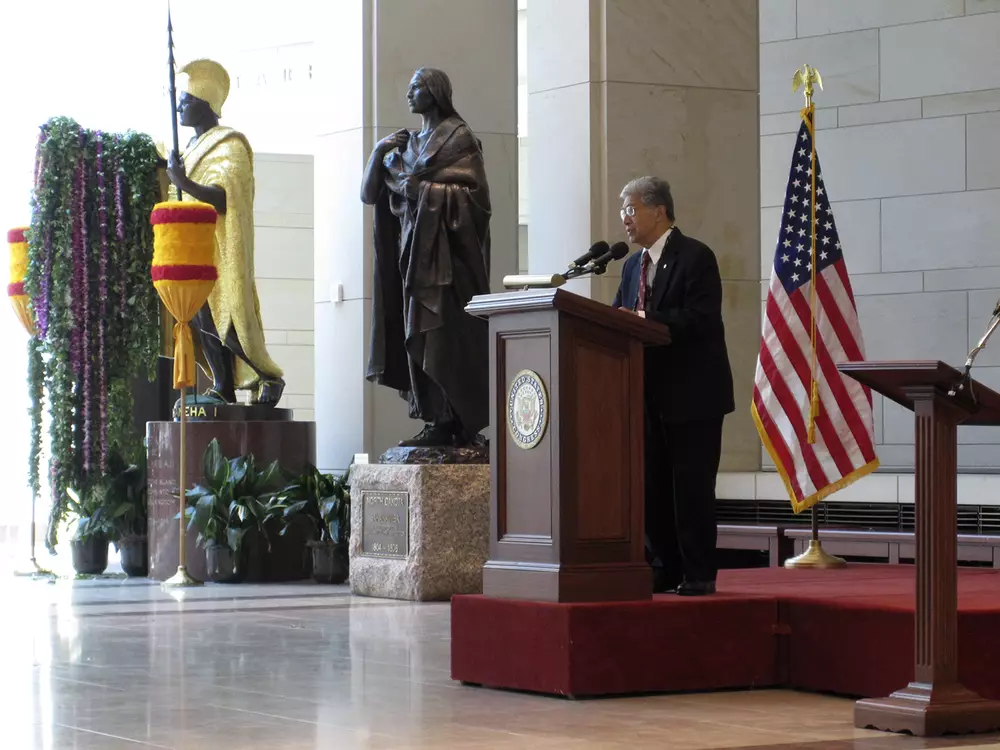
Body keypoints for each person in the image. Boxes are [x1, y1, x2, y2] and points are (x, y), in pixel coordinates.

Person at [612, 176, 734, 596]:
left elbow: (700, 319)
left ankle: (699, 572)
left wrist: (647, 321)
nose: (623, 219)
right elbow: (616, 318)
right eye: (622, 211)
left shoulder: (696, 257)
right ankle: (663, 566)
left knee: (691, 487)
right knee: (653, 487)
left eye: (630, 209)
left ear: (658, 210)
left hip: (693, 395)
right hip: (644, 395)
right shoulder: (631, 266)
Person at [360, 67, 491, 447]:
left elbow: (476, 200)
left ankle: (455, 420)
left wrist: (423, 190)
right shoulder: (405, 145)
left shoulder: (459, 136)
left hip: (448, 265)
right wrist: (378, 151)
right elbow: (370, 194)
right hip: (411, 260)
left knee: (443, 337)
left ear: (435, 91)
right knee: (415, 333)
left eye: (416, 86)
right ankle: (433, 416)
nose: (409, 93)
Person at [165, 58, 285, 406]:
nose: (179, 108)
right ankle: (222, 385)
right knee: (202, 320)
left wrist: (183, 181)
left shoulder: (229, 145)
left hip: (221, 247)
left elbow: (226, 197)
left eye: (185, 101)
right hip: (193, 248)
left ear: (203, 102)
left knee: (227, 320)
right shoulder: (189, 148)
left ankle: (268, 376)